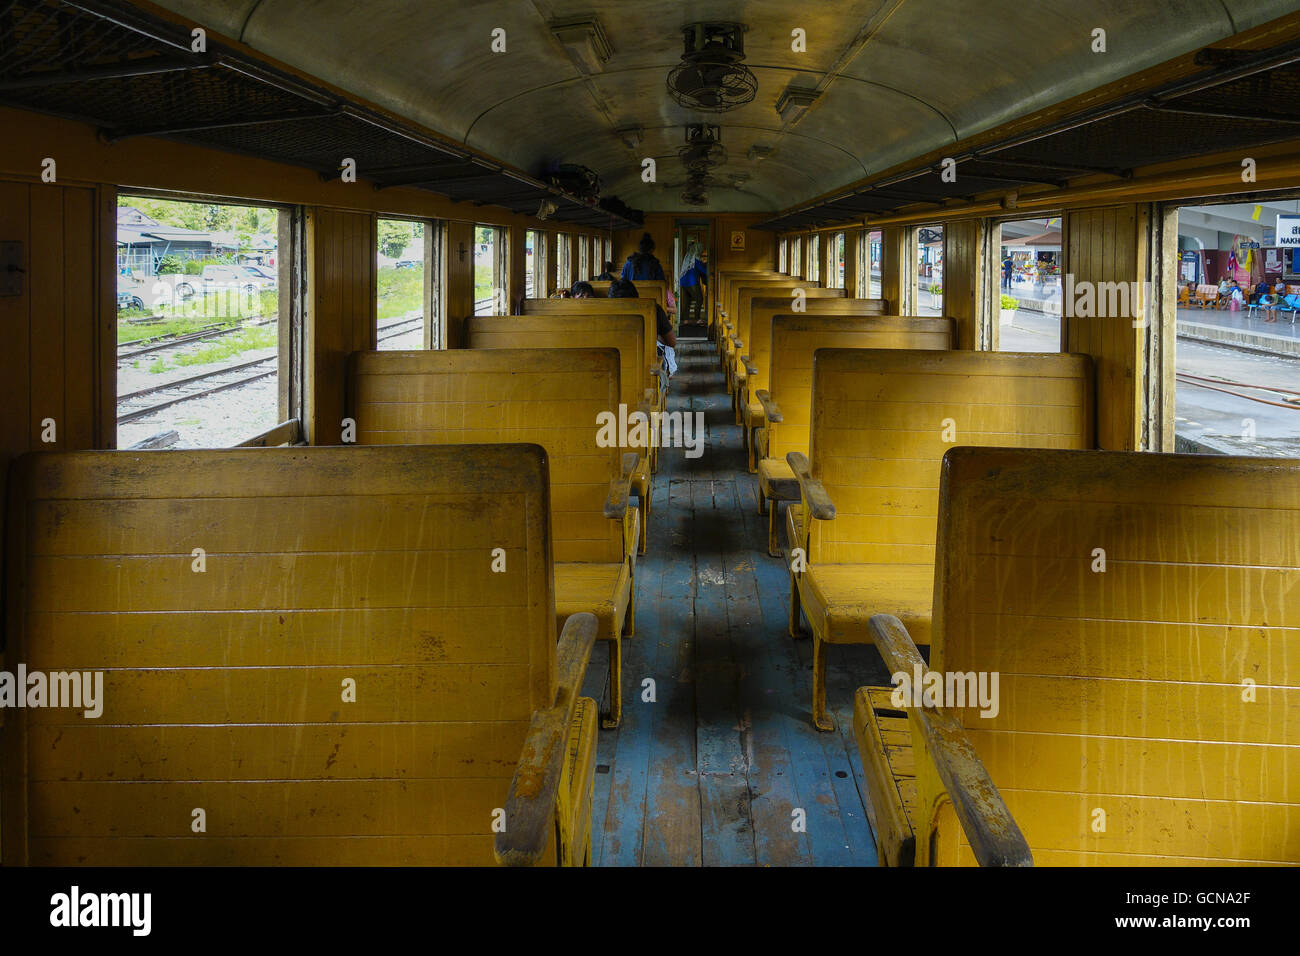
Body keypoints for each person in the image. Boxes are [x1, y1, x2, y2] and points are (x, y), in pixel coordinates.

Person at [610, 277, 676, 376]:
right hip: (646, 369)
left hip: (610, 371)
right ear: (636, 296)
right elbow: (672, 342)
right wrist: (654, 334)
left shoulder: (603, 312)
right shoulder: (653, 309)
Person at [678, 240, 707, 325]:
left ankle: (685, 319)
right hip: (692, 282)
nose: (701, 252)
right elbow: (704, 271)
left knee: (687, 301)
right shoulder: (695, 259)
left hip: (683, 282)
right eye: (701, 250)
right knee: (699, 299)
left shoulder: (688, 257)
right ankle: (697, 319)